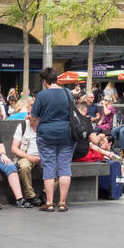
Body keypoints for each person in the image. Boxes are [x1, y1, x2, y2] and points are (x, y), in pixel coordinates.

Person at [29, 67, 84, 212]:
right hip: (67, 133)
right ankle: (62, 203)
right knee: (64, 167)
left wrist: (36, 128)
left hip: (46, 134)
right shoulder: (67, 93)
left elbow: (34, 117)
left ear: (44, 81)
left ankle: (49, 203)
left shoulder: (42, 95)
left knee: (49, 167)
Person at [11, 112, 41, 205]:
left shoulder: (45, 126)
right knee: (24, 166)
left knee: (58, 168)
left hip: (42, 156)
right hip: (26, 156)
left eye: (32, 114)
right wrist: (30, 157)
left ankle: (44, 194)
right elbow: (14, 148)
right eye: (29, 114)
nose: (29, 116)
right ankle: (30, 196)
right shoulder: (23, 126)